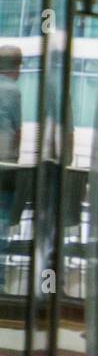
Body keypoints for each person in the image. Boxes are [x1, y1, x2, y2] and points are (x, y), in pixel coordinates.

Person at [0, 45, 21, 238]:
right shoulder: (13, 90)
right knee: (3, 214)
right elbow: (17, 132)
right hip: (4, 163)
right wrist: (15, 159)